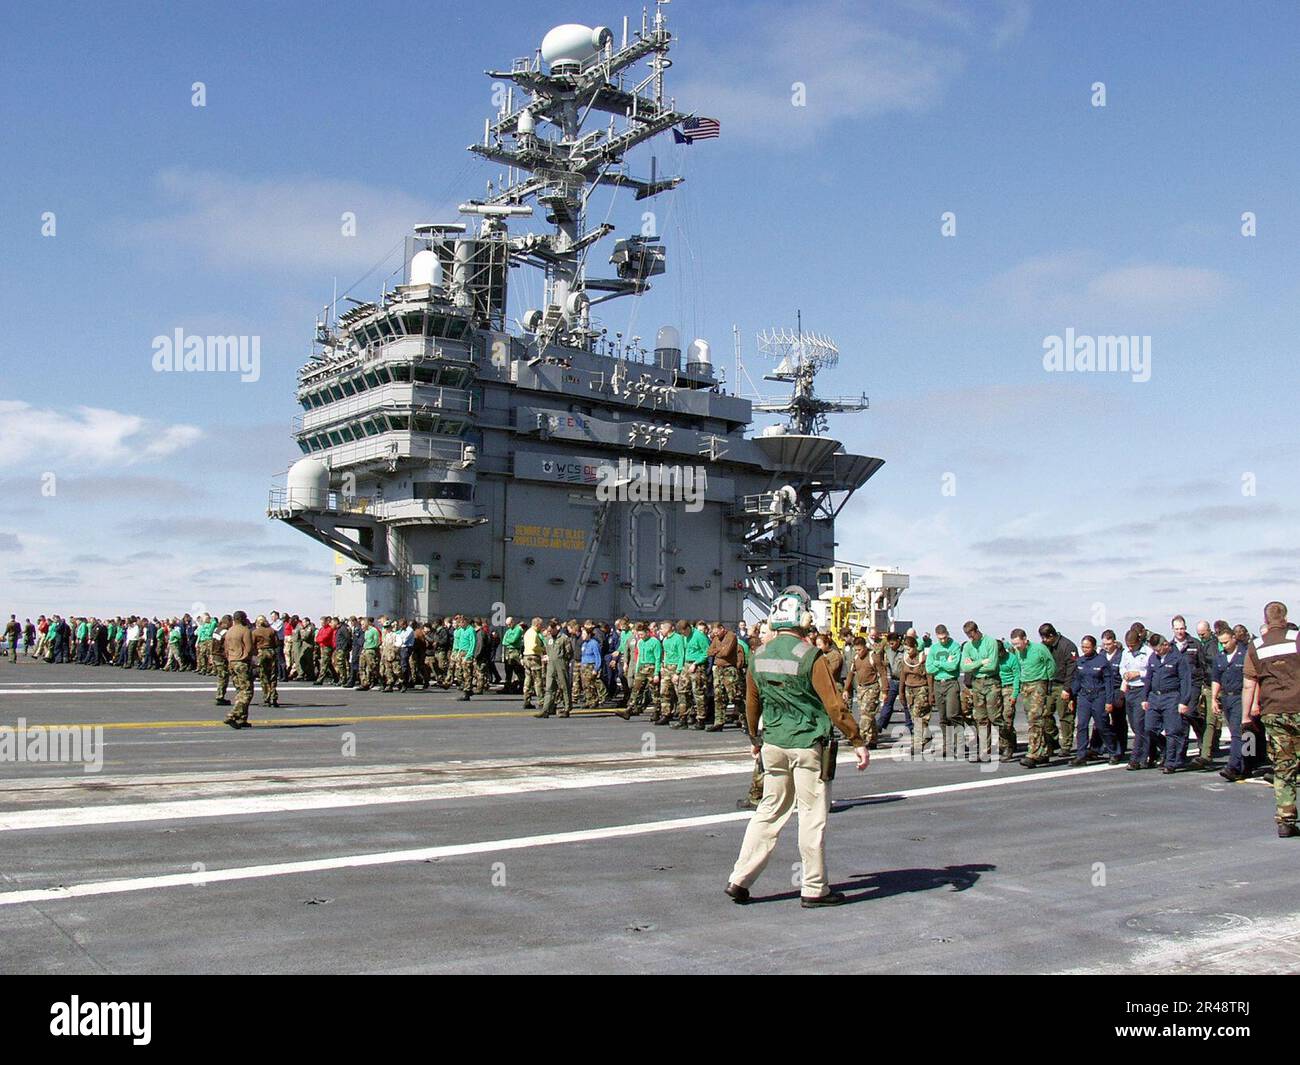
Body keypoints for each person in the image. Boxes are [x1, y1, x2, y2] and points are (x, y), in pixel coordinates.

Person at [724, 587, 868, 908]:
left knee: (768, 811)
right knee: (811, 816)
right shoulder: (810, 656)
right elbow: (835, 706)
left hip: (773, 744)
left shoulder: (758, 655)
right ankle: (814, 889)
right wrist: (857, 740)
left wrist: (754, 740)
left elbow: (751, 703)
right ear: (804, 619)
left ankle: (740, 879)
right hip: (807, 746)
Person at [1243, 601, 1300, 836]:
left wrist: (1246, 716)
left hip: (1273, 711)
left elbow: (1249, 684)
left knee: (1283, 765)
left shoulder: (1256, 645)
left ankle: (1285, 819)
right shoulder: (1296, 638)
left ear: (1266, 620)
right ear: (1285, 617)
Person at [1141, 634, 1192, 773]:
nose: (1157, 653)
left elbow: (1185, 681)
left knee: (1172, 731)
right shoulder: (1153, 658)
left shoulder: (1178, 659)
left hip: (1171, 696)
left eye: (1158, 650)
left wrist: (1184, 701)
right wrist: (1145, 698)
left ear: (1165, 645)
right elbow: (1148, 678)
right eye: (1154, 650)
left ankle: (1171, 762)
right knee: (1149, 728)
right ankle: (1164, 749)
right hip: (1154, 697)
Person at [1011, 628, 1057, 768]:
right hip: (1026, 685)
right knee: (1034, 719)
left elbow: (1051, 665)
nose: (1016, 647)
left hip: (1039, 684)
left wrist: (1047, 683)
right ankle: (1045, 750)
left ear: (1025, 639)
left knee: (1035, 719)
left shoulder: (1039, 649)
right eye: (1014, 644)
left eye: (1018, 643)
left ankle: (1033, 753)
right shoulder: (1018, 652)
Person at [1070, 635, 1118, 765]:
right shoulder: (1080, 662)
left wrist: (1109, 701)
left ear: (1094, 647)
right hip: (1084, 697)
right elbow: (1077, 681)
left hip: (1099, 696)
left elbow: (1109, 684)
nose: (1085, 649)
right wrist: (1071, 696)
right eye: (1083, 647)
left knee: (1102, 726)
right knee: (1081, 725)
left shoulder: (1102, 662)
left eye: (1087, 647)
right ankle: (1081, 755)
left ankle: (1113, 752)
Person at [959, 621, 1003, 762]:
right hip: (977, 683)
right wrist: (980, 663)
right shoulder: (967, 646)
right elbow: (964, 667)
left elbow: (992, 665)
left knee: (995, 717)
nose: (971, 639)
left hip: (991, 682)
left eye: (972, 635)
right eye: (968, 636)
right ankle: (984, 752)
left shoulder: (990, 642)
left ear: (976, 631)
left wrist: (973, 665)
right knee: (981, 718)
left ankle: (1007, 742)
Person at [1212, 622, 1248, 782]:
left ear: (1234, 638)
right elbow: (1216, 679)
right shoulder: (1219, 657)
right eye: (1221, 643)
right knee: (1240, 733)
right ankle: (1243, 766)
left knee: (1237, 733)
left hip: (1241, 696)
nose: (1224, 645)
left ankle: (1232, 766)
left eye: (1226, 642)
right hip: (1226, 697)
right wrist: (1214, 698)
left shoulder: (1245, 654)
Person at [1039, 623, 1077, 761]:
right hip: (1048, 685)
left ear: (1051, 635)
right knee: (1045, 715)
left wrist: (1067, 689)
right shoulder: (1044, 647)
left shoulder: (1067, 646)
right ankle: (1053, 740)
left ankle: (1066, 745)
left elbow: (1072, 669)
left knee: (1065, 716)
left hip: (1062, 685)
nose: (1043, 641)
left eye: (1045, 638)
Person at [843, 635, 888, 749]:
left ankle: (861, 739)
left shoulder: (873, 656)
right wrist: (846, 689)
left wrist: (884, 691)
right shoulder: (856, 658)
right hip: (861, 688)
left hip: (872, 688)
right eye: (856, 650)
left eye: (860, 649)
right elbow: (850, 674)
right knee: (869, 715)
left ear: (865, 647)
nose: (858, 652)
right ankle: (872, 739)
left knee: (865, 716)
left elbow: (882, 674)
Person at [223, 611, 255, 728]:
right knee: (247, 691)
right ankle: (233, 714)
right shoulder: (245, 630)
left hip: (232, 661)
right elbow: (249, 648)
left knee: (239, 690)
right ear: (242, 619)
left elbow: (226, 648)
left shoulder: (229, 631)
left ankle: (242, 719)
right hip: (242, 662)